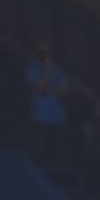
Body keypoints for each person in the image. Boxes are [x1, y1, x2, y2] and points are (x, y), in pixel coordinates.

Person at [26, 41, 72, 170]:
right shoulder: (33, 68)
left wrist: (49, 89)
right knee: (38, 157)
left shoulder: (59, 69)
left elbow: (64, 91)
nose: (46, 53)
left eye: (48, 50)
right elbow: (40, 89)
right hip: (40, 117)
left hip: (59, 117)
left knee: (61, 157)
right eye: (43, 50)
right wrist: (47, 71)